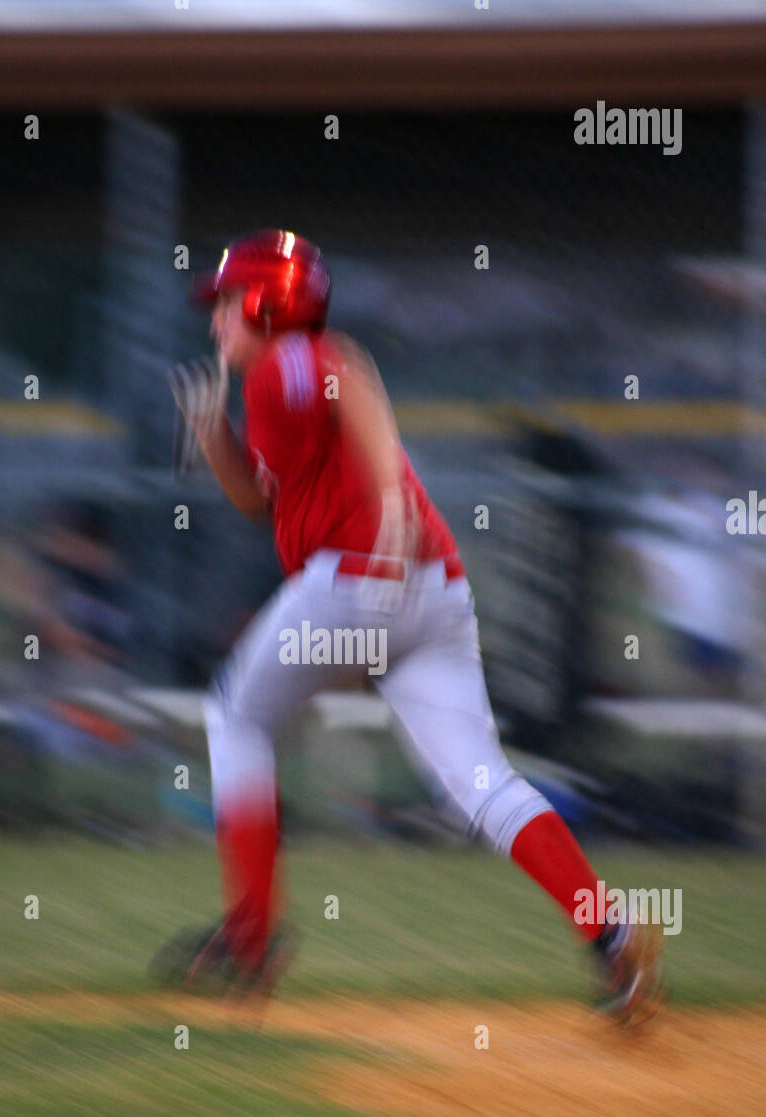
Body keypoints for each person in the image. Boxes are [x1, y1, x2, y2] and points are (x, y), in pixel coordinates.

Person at [149, 229, 664, 1025]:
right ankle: (612, 934)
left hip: (360, 582)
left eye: (224, 305)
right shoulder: (273, 384)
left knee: (235, 717)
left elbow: (351, 383)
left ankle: (250, 939)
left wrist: (388, 509)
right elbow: (261, 501)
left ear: (264, 302)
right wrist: (212, 433)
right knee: (479, 783)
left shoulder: (293, 358)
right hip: (434, 594)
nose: (215, 322)